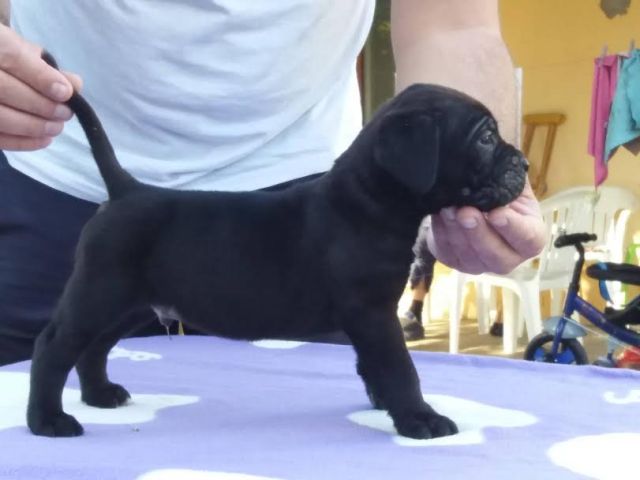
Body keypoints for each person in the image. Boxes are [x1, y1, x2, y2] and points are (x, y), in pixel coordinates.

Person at [0, 0, 546, 366]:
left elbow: (454, 23)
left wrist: (476, 184)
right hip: (55, 185)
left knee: (304, 455)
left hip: (305, 218)